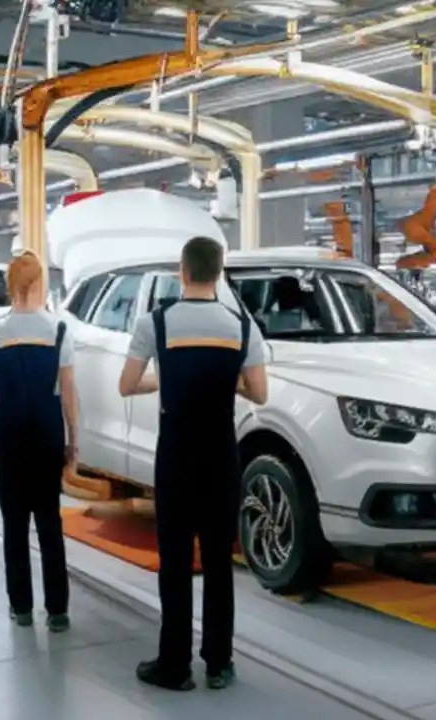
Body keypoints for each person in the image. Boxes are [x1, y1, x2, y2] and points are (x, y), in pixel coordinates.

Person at [119, 236, 268, 691]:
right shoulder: (243, 326)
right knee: (220, 562)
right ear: (219, 274)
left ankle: (174, 664)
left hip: (176, 455)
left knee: (177, 561)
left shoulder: (156, 323)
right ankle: (220, 663)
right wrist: (229, 384)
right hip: (221, 454)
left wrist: (165, 379)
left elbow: (126, 384)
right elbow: (260, 393)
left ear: (181, 273)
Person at [0, 251, 76, 631]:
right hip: (48, 433)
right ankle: (58, 611)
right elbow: (68, 391)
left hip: (10, 435)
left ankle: (21, 607)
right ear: (37, 285)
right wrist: (74, 441)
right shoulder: (59, 330)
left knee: (14, 524)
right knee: (49, 520)